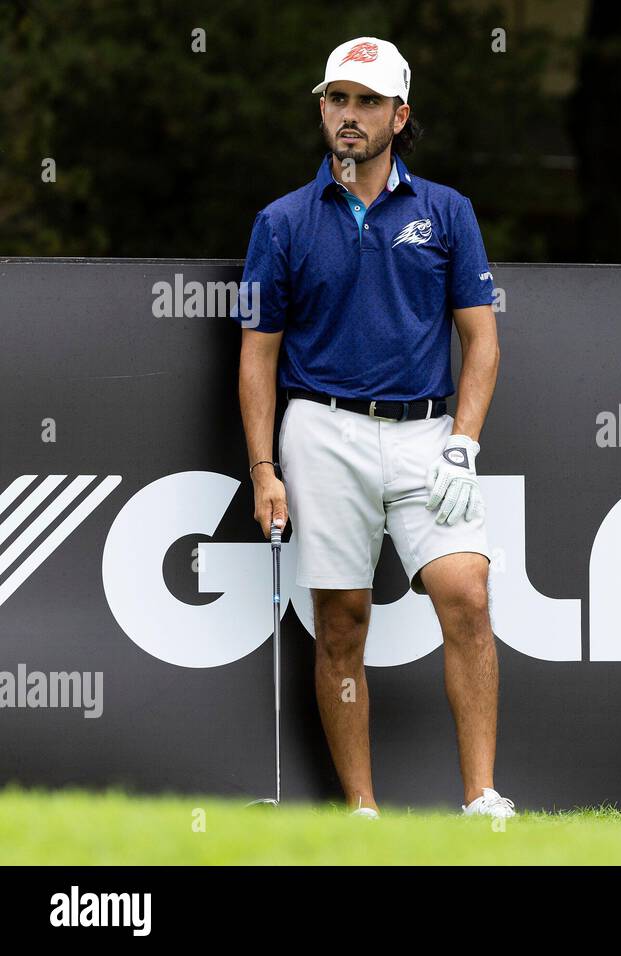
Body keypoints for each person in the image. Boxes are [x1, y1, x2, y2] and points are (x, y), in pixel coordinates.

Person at [232, 36, 514, 819]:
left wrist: (463, 442)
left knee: (467, 594)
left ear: (400, 115)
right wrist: (263, 470)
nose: (349, 115)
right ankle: (362, 812)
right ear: (323, 109)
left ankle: (482, 798)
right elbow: (257, 356)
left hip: (427, 434)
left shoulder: (446, 211)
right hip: (321, 432)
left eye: (367, 101)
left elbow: (482, 341)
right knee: (341, 623)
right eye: (337, 99)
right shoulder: (282, 221)